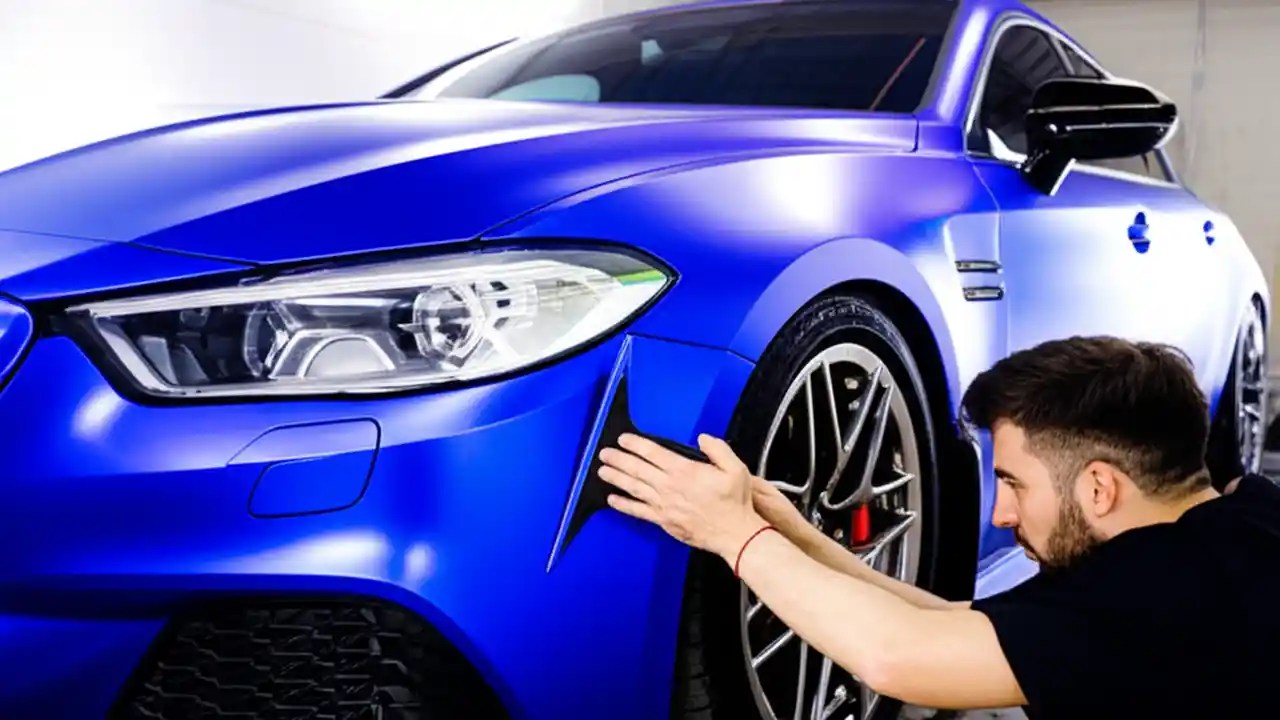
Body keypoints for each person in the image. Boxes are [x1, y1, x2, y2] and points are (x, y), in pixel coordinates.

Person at [596, 335, 1279, 719]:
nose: (1000, 515)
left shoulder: (1150, 600)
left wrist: (730, 535)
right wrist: (791, 533)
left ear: (1100, 486)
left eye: (1013, 483)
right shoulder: (1243, 519)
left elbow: (898, 657)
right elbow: (957, 627)